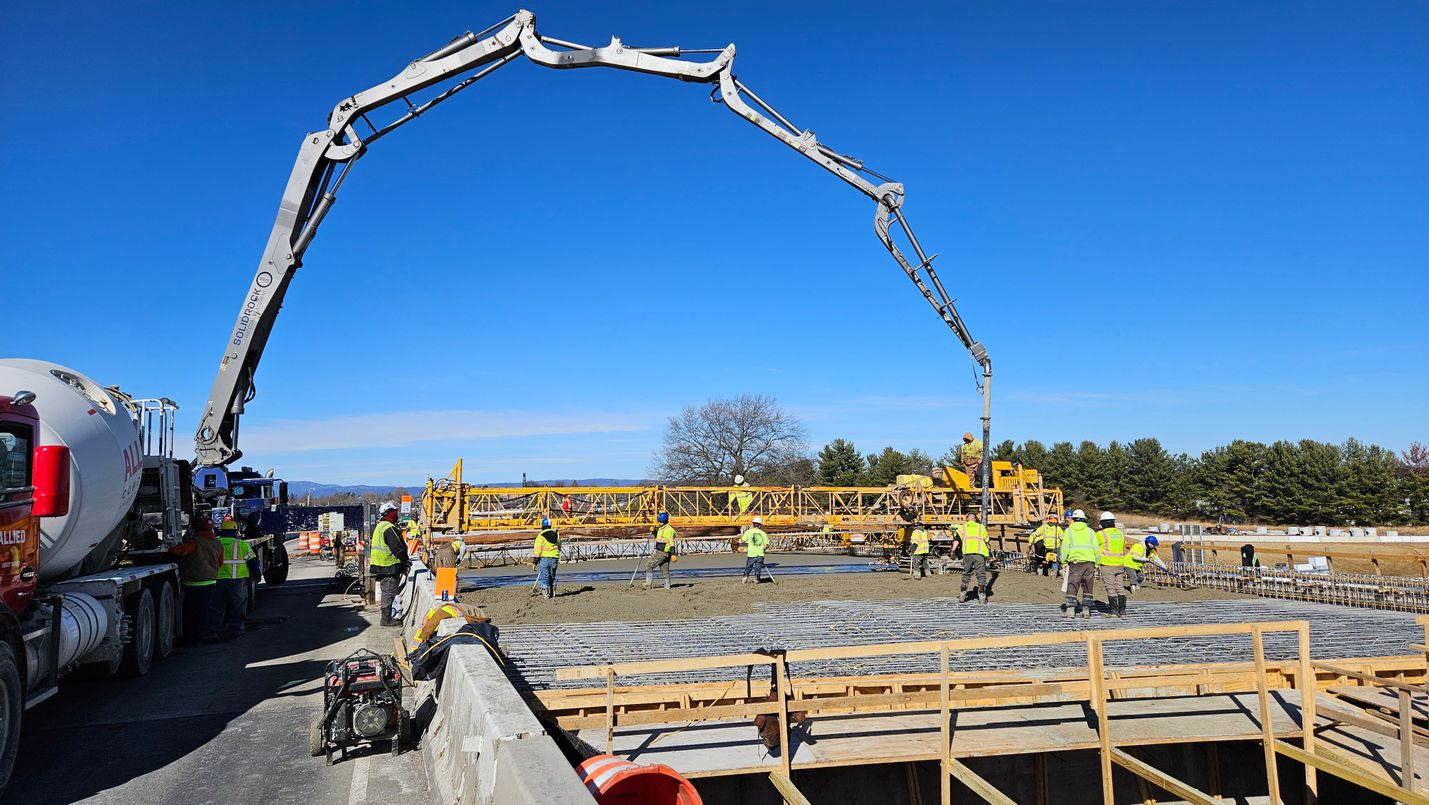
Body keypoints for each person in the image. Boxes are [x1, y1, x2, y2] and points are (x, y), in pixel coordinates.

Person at [170, 514, 222, 646]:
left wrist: (170, 548)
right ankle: (202, 636)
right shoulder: (217, 543)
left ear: (199, 528)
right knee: (204, 610)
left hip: (193, 583)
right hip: (210, 581)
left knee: (189, 611)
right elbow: (220, 562)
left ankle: (190, 638)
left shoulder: (194, 541)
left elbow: (183, 551)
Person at [211, 518, 256, 639]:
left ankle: (215, 630)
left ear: (221, 530)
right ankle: (237, 628)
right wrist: (257, 575)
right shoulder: (241, 544)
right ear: (235, 531)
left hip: (217, 580)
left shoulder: (215, 543)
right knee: (238, 606)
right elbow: (252, 562)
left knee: (217, 607)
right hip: (236, 580)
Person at [372, 501, 412, 625]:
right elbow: (398, 548)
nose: (396, 515)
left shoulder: (380, 526)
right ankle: (386, 619)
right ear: (390, 513)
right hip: (389, 565)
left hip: (381, 564)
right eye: (395, 513)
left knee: (387, 591)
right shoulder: (389, 528)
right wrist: (405, 560)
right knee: (388, 592)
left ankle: (387, 617)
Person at [1059, 509, 1097, 618]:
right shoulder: (1090, 531)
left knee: (1073, 584)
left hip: (1075, 563)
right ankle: (1086, 610)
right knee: (1088, 586)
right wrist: (1096, 564)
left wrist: (1063, 561)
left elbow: (1065, 548)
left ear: (1073, 519)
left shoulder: (1069, 531)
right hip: (1089, 563)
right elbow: (1096, 548)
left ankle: (1071, 610)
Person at [1096, 511, 1129, 618]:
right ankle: (1122, 611)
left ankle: (1113, 611)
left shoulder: (1101, 534)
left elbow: (1094, 548)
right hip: (1120, 564)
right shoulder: (1120, 533)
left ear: (1103, 523)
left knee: (1110, 588)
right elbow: (1123, 547)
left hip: (1107, 564)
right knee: (1119, 586)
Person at [955, 513, 990, 603]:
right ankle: (982, 597)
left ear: (967, 519)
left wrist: (953, 550)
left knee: (966, 573)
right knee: (981, 575)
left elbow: (957, 540)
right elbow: (987, 539)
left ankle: (962, 596)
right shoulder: (981, 527)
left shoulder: (962, 527)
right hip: (979, 554)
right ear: (975, 519)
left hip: (967, 553)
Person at [644, 511, 677, 590]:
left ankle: (648, 584)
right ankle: (667, 586)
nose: (659, 523)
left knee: (649, 565)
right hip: (664, 552)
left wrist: (673, 554)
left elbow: (671, 543)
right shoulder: (662, 529)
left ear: (664, 521)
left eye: (660, 521)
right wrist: (654, 532)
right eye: (659, 521)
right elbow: (659, 538)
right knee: (664, 570)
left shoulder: (668, 530)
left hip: (662, 552)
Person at [533, 517, 560, 599]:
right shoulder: (556, 534)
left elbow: (537, 550)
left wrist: (535, 562)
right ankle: (553, 592)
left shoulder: (540, 535)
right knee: (552, 576)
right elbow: (559, 546)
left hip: (544, 559)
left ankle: (546, 594)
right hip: (554, 558)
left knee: (545, 577)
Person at [740, 516, 770, 583]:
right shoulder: (763, 533)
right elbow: (766, 545)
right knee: (758, 568)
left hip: (751, 554)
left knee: (748, 567)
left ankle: (745, 578)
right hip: (760, 554)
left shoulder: (748, 532)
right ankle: (757, 579)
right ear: (760, 525)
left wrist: (740, 538)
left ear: (753, 524)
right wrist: (764, 548)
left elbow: (742, 540)